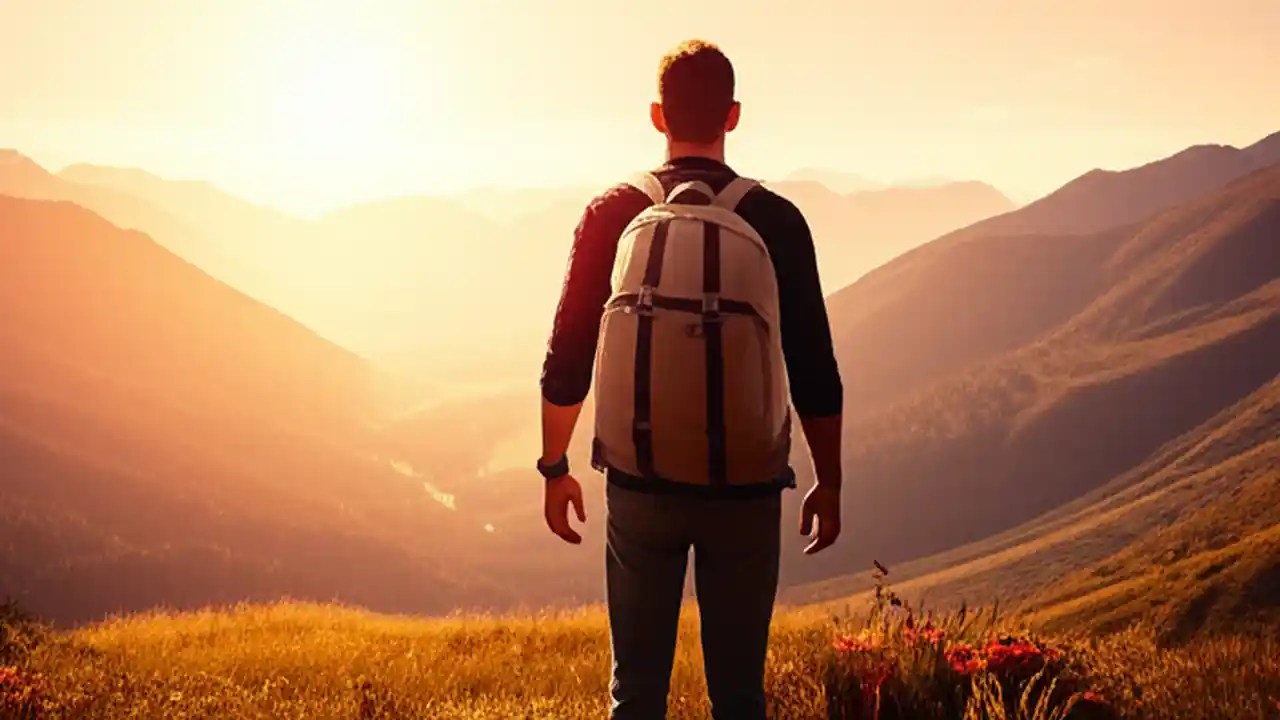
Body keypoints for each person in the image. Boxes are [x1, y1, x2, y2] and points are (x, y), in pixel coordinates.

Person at [537, 39, 844, 720]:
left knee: (636, 693)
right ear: (733, 116)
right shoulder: (777, 221)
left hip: (640, 482)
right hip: (747, 487)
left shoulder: (611, 213)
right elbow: (814, 366)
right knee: (738, 696)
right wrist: (830, 478)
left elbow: (567, 354)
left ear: (656, 115)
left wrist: (555, 466)